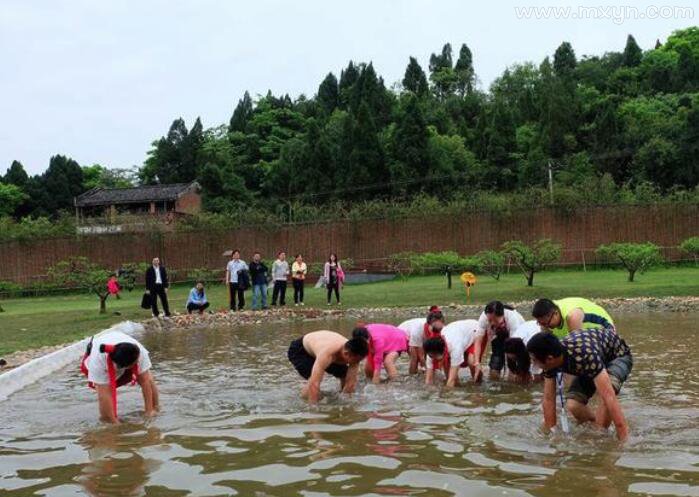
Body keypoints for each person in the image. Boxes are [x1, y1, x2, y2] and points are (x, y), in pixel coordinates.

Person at [526, 327, 633, 441]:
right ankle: (596, 425)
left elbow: (609, 397)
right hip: (592, 359)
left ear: (550, 359)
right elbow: (548, 399)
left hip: (617, 356)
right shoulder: (550, 361)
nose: (534, 365)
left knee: (607, 394)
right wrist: (551, 434)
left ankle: (602, 433)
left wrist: (624, 439)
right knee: (573, 405)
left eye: (534, 360)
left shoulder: (585, 355)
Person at [80, 330, 159, 424]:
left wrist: (148, 412)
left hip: (122, 358)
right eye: (136, 363)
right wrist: (114, 424)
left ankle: (156, 408)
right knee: (104, 394)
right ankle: (108, 420)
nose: (138, 362)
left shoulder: (138, 352)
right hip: (103, 362)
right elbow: (103, 395)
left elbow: (145, 382)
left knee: (148, 378)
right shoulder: (97, 362)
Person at [287, 330, 369, 403]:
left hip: (322, 347)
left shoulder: (355, 352)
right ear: (346, 354)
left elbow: (351, 382)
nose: (357, 363)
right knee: (312, 379)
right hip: (301, 351)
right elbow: (315, 383)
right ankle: (304, 401)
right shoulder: (327, 354)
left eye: (359, 360)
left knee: (344, 374)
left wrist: (347, 404)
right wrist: (314, 412)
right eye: (356, 361)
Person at [472, 301, 525, 381]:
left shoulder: (512, 318)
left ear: (503, 315)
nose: (492, 323)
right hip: (497, 335)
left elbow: (515, 348)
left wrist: (513, 369)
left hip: (516, 339)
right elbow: (478, 342)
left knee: (513, 370)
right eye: (489, 320)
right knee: (495, 366)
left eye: (495, 320)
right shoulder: (484, 317)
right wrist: (477, 363)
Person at [423, 319, 479, 387]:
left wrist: (447, 395)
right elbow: (428, 379)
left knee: (472, 362)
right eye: (432, 356)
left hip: (475, 332)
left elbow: (451, 379)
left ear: (444, 350)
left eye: (436, 357)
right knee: (448, 374)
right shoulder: (431, 350)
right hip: (460, 335)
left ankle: (478, 385)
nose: (434, 359)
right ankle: (459, 387)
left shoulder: (455, 348)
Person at [532, 297, 615, 338]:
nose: (544, 327)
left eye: (546, 324)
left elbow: (576, 346)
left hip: (604, 329)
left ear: (556, 313)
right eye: (540, 323)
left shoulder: (572, 316)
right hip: (582, 330)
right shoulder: (549, 311)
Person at [398, 305, 445, 374]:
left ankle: (426, 373)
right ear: (428, 324)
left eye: (439, 329)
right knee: (415, 358)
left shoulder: (442, 328)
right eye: (435, 329)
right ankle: (412, 377)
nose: (437, 332)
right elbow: (421, 356)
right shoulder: (418, 330)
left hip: (420, 336)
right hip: (403, 334)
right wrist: (426, 369)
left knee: (431, 355)